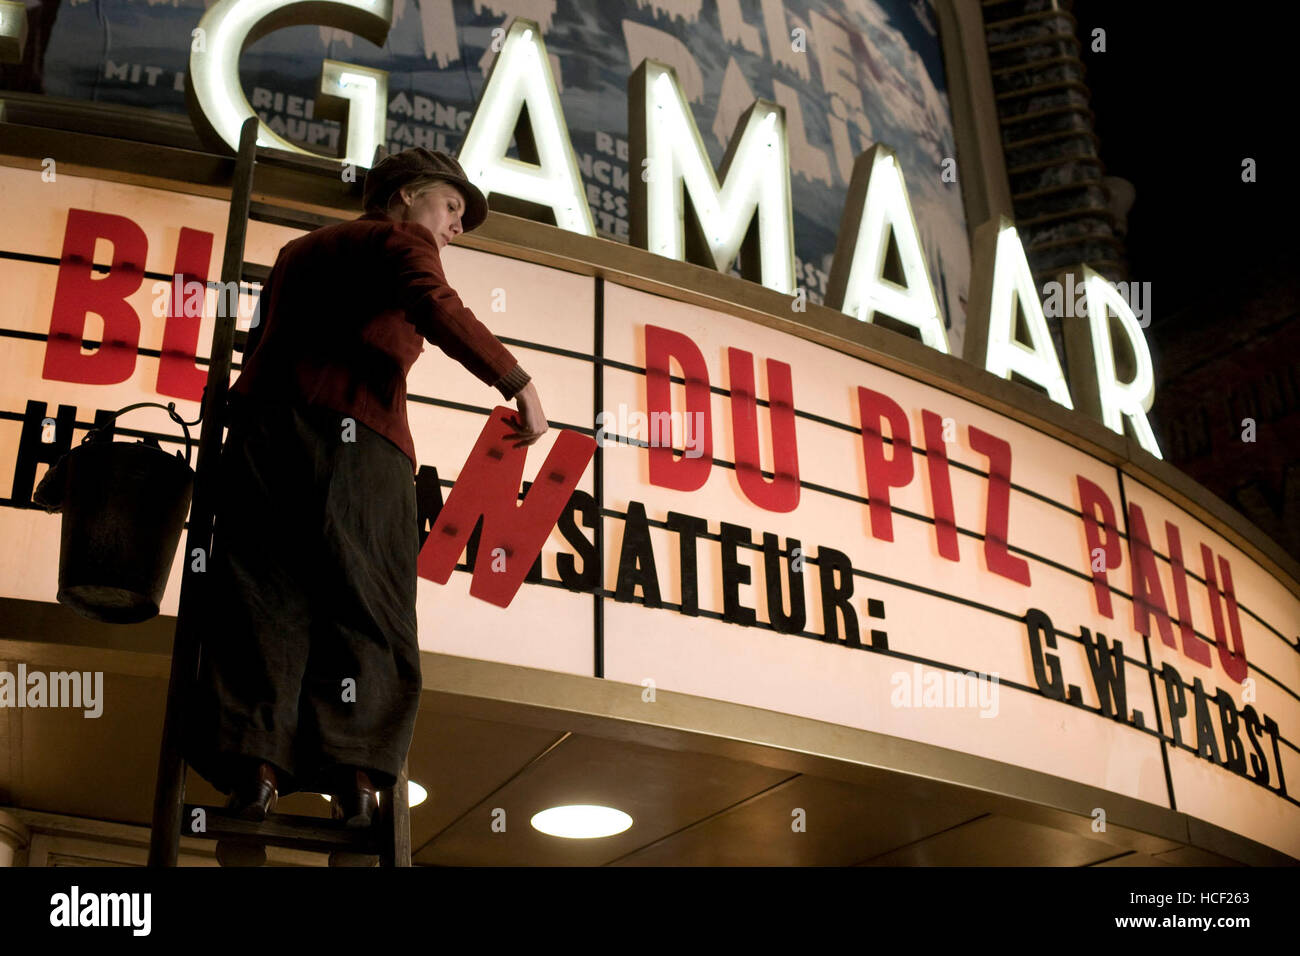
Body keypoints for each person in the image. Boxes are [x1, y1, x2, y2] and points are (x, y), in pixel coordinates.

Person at [181, 147, 547, 828]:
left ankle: (255, 775)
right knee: (369, 606)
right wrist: (515, 380)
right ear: (406, 196)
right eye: (451, 206)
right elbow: (432, 302)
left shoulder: (296, 252)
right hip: (361, 437)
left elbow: (260, 344)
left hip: (264, 433)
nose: (457, 227)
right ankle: (356, 784)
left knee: (263, 600)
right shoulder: (398, 237)